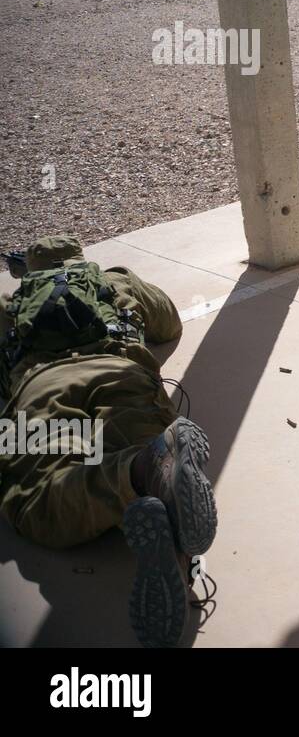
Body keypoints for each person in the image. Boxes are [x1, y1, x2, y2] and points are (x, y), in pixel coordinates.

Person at [0, 235, 217, 647]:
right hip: (123, 374)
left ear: (30, 270)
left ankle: (132, 478)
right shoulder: (115, 281)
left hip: (45, 387)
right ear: (81, 260)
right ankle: (148, 472)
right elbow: (168, 321)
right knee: (149, 460)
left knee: (41, 497)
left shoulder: (12, 306)